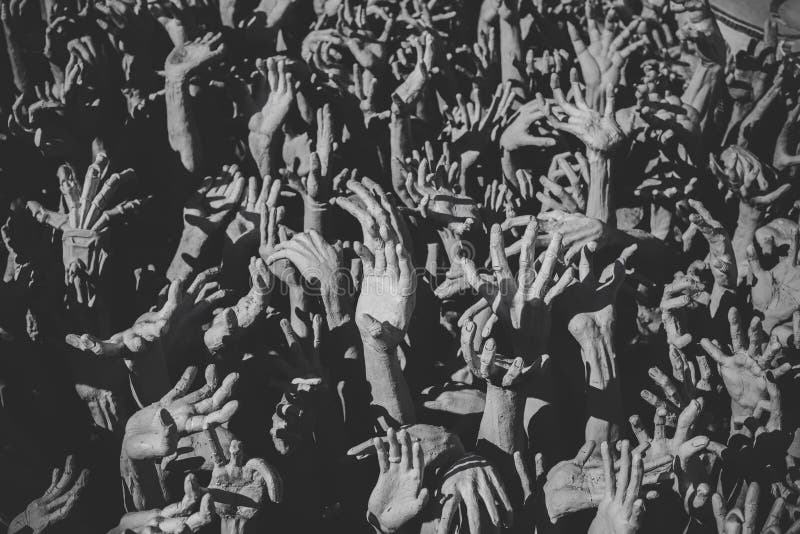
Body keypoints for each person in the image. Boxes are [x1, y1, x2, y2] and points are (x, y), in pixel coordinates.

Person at [1, 0, 800, 533]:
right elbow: (508, 454)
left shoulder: (336, 462)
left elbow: (413, 439)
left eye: (220, 469)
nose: (229, 478)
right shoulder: (361, 474)